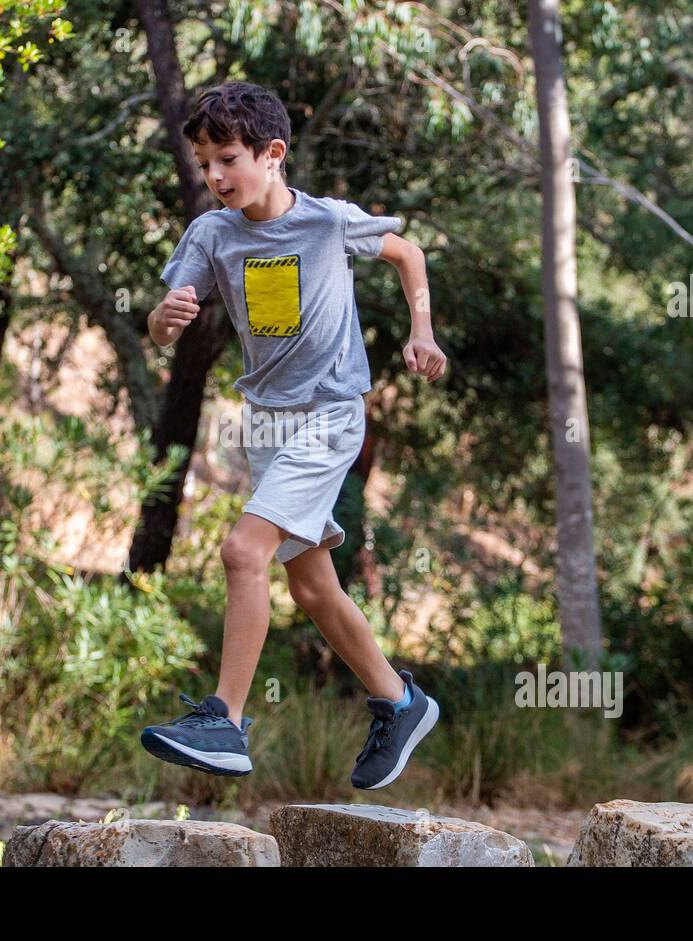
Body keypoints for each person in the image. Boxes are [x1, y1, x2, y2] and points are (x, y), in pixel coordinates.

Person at [141, 81, 446, 790]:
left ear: (272, 154)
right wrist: (166, 315)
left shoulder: (328, 222)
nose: (215, 177)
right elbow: (158, 328)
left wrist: (421, 330)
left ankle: (225, 719)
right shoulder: (210, 235)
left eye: (228, 159)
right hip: (267, 427)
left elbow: (409, 255)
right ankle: (400, 703)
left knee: (243, 548)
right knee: (311, 588)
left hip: (331, 414)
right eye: (204, 163)